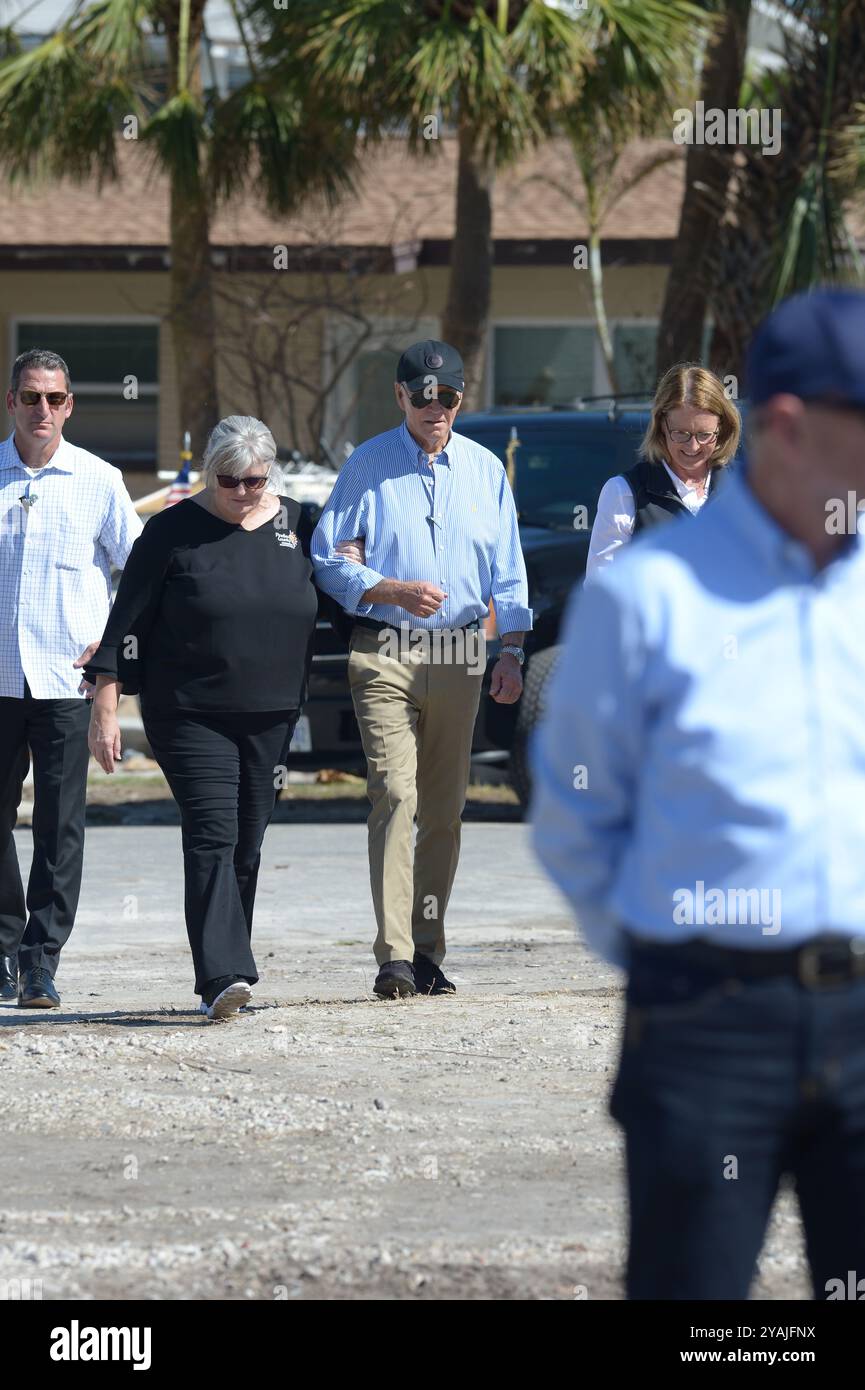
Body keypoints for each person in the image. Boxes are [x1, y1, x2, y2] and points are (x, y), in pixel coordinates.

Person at [531, 288, 865, 1300]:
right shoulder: (648, 595)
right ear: (787, 426)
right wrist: (670, 957)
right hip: (705, 1024)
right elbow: (576, 810)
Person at [312, 340, 532, 1000]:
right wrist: (388, 588)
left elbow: (510, 573)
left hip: (463, 651)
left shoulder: (487, 470)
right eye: (421, 395)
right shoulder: (367, 464)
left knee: (443, 810)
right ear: (400, 397)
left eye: (448, 397)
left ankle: (429, 949)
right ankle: (394, 956)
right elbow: (327, 558)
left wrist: (513, 653)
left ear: (462, 398)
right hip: (385, 647)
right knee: (395, 795)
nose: (435, 408)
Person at [85, 416, 318, 1021]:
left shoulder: (299, 524)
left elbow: (342, 595)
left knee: (247, 841)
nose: (243, 492)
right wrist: (105, 712)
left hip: (272, 713)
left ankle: (229, 961)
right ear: (210, 473)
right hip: (189, 714)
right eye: (229, 480)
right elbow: (123, 626)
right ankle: (223, 976)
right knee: (213, 833)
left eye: (256, 481)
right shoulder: (171, 532)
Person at [0, 348, 141, 1008]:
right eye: (31, 397)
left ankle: (40, 957)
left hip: (63, 680)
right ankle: (1, 946)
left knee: (59, 826)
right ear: (11, 403)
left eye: (54, 399)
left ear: (70, 406)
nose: (43, 410)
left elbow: (139, 577)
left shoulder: (98, 479)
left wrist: (112, 643)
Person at [585, 364, 740, 579]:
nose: (693, 447)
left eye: (704, 435)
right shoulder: (624, 493)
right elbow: (601, 589)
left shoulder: (744, 489)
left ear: (721, 429)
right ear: (661, 426)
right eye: (681, 433)